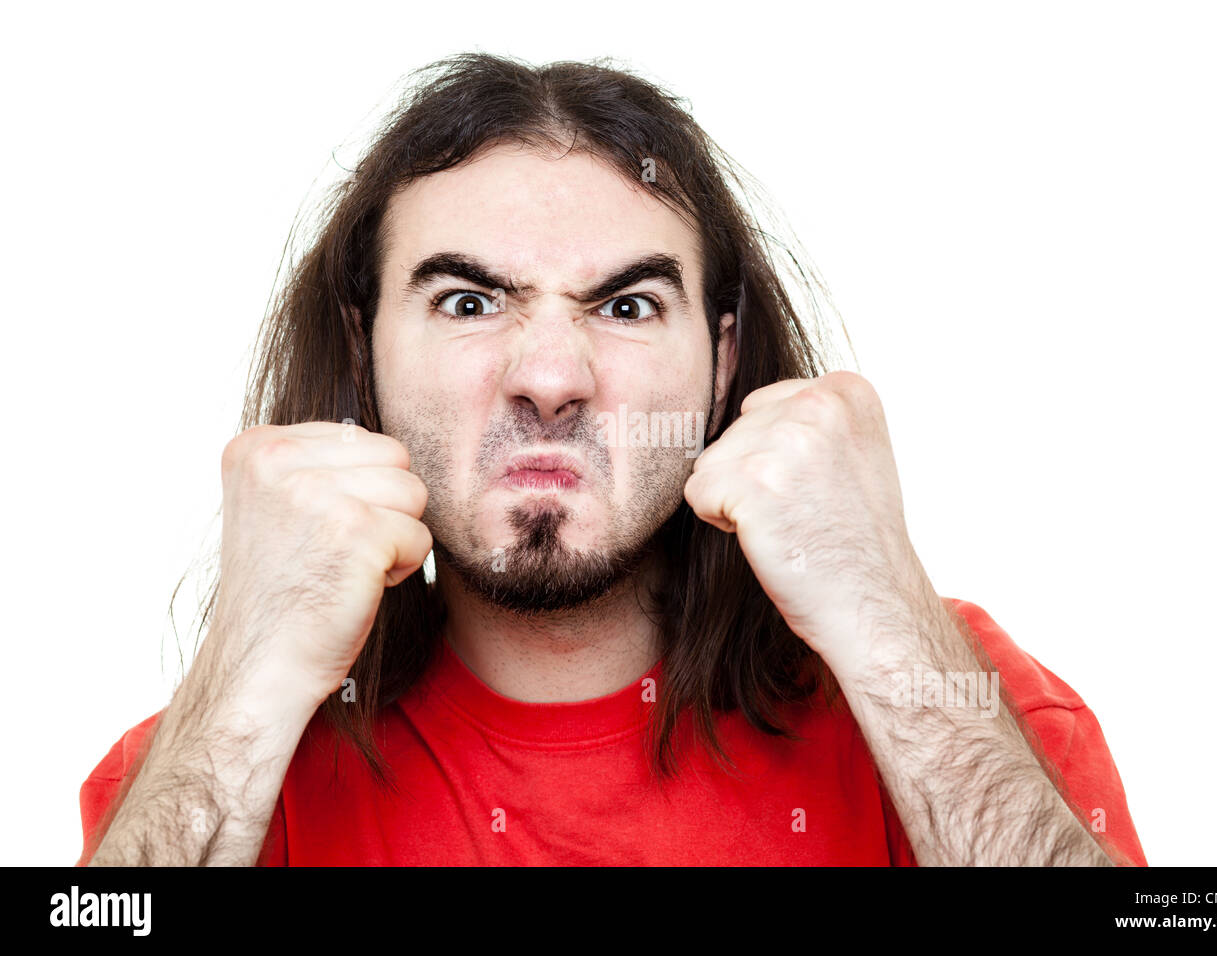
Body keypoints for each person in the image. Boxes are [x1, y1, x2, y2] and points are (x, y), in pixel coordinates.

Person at [77, 53, 1146, 867]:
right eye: (468, 300)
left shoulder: (963, 700)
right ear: (363, 349)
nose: (549, 376)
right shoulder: (204, 763)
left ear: (722, 359)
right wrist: (239, 691)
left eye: (627, 304)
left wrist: (883, 617)